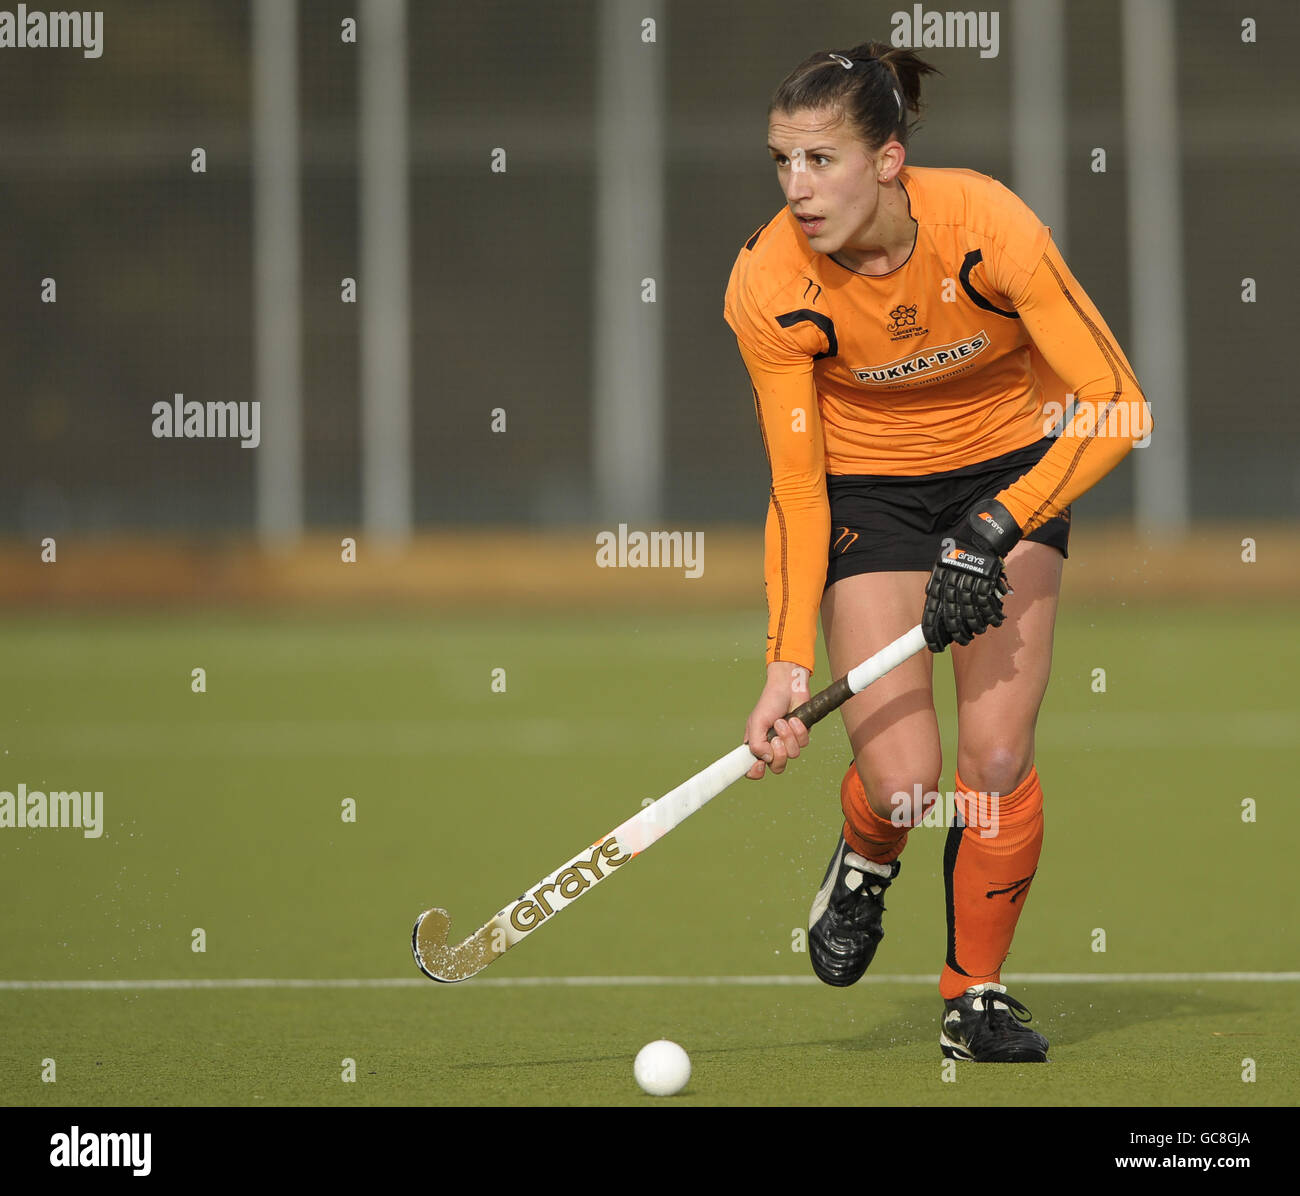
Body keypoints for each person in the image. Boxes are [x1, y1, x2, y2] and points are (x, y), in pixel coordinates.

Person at [724, 41, 1151, 1062]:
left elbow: (1116, 406)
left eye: (821, 159)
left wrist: (995, 529)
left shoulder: (988, 227)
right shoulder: (769, 282)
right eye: (782, 160)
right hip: (869, 492)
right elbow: (795, 489)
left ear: (889, 159)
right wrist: (786, 665)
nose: (797, 187)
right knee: (904, 775)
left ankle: (976, 992)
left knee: (994, 754)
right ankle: (866, 857)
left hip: (1009, 474)